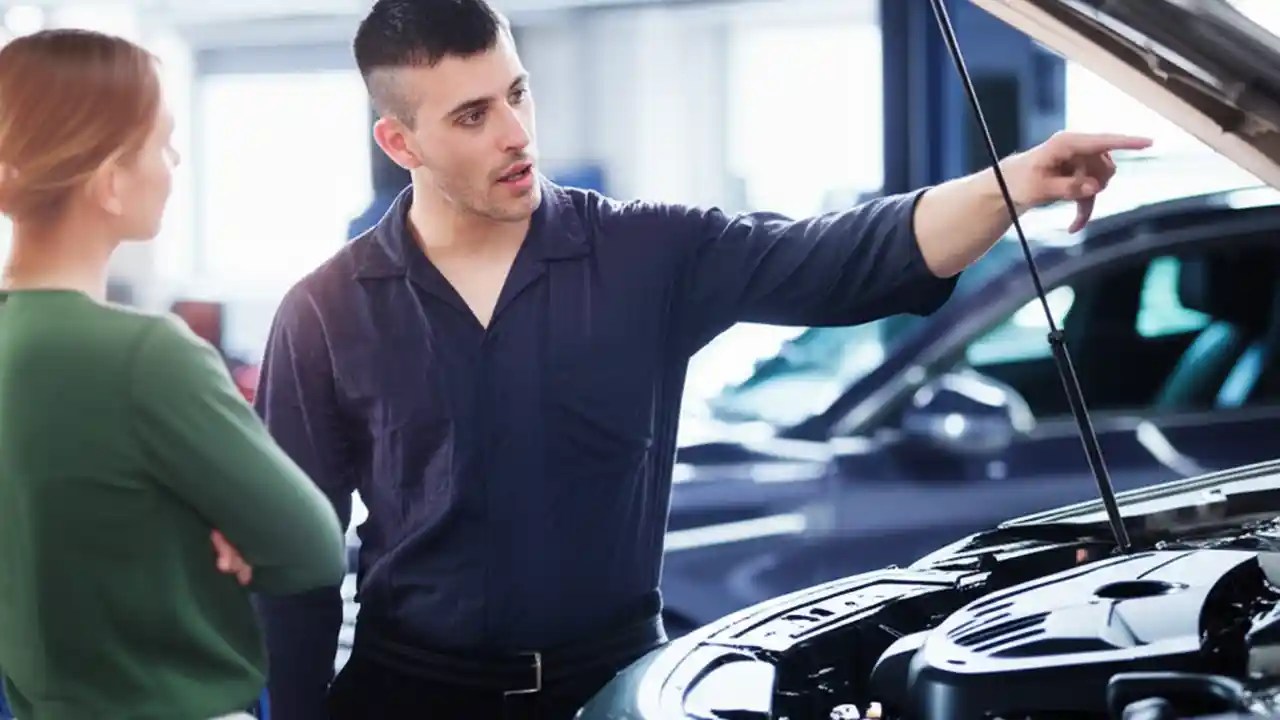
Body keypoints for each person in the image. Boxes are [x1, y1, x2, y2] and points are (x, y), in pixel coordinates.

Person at [249, 1, 1153, 718]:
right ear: (400, 143)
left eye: (518, 94)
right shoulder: (326, 312)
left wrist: (1015, 184)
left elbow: (843, 259)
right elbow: (295, 555)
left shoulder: (646, 256)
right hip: (407, 695)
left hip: (611, 690)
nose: (516, 134)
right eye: (473, 115)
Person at [0, 28, 348, 720]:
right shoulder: (144, 356)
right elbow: (312, 549)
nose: (175, 159)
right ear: (108, 180)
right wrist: (213, 531)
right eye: (161, 141)